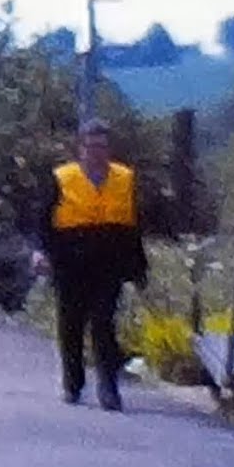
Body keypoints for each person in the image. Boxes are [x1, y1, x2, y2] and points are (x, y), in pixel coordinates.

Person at [27, 118, 148, 411]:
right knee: (71, 324)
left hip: (109, 262)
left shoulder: (125, 178)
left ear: (109, 149)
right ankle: (73, 381)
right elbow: (42, 221)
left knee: (104, 323)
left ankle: (109, 387)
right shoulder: (62, 178)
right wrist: (40, 252)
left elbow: (134, 226)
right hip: (70, 261)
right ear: (80, 149)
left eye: (103, 147)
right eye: (91, 146)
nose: (97, 153)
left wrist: (139, 267)